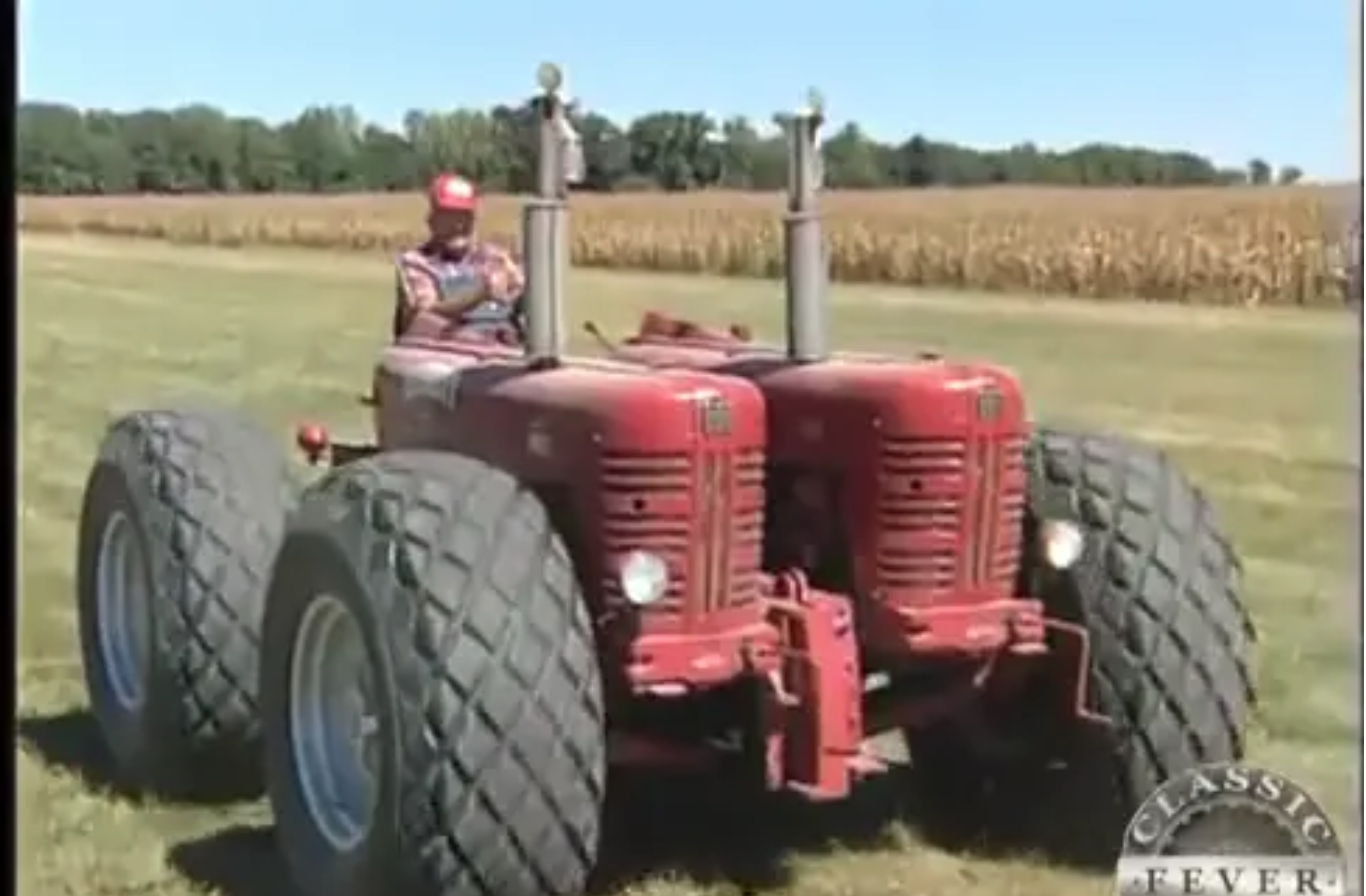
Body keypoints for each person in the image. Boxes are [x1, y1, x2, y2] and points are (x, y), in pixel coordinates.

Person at [391, 173, 526, 339]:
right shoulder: (416, 262)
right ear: (431, 219)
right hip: (442, 355)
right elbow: (426, 314)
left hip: (499, 351)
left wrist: (528, 288)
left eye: (464, 216)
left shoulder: (496, 258)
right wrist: (480, 295)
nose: (458, 225)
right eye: (449, 216)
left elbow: (522, 296)